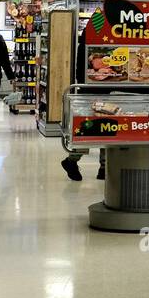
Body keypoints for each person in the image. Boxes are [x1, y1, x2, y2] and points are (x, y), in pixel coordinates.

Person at [61, 26, 105, 182]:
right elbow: (82, 71)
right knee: (91, 129)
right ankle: (72, 160)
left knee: (105, 129)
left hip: (94, 90)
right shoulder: (88, 49)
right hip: (93, 91)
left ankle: (103, 167)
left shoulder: (85, 45)